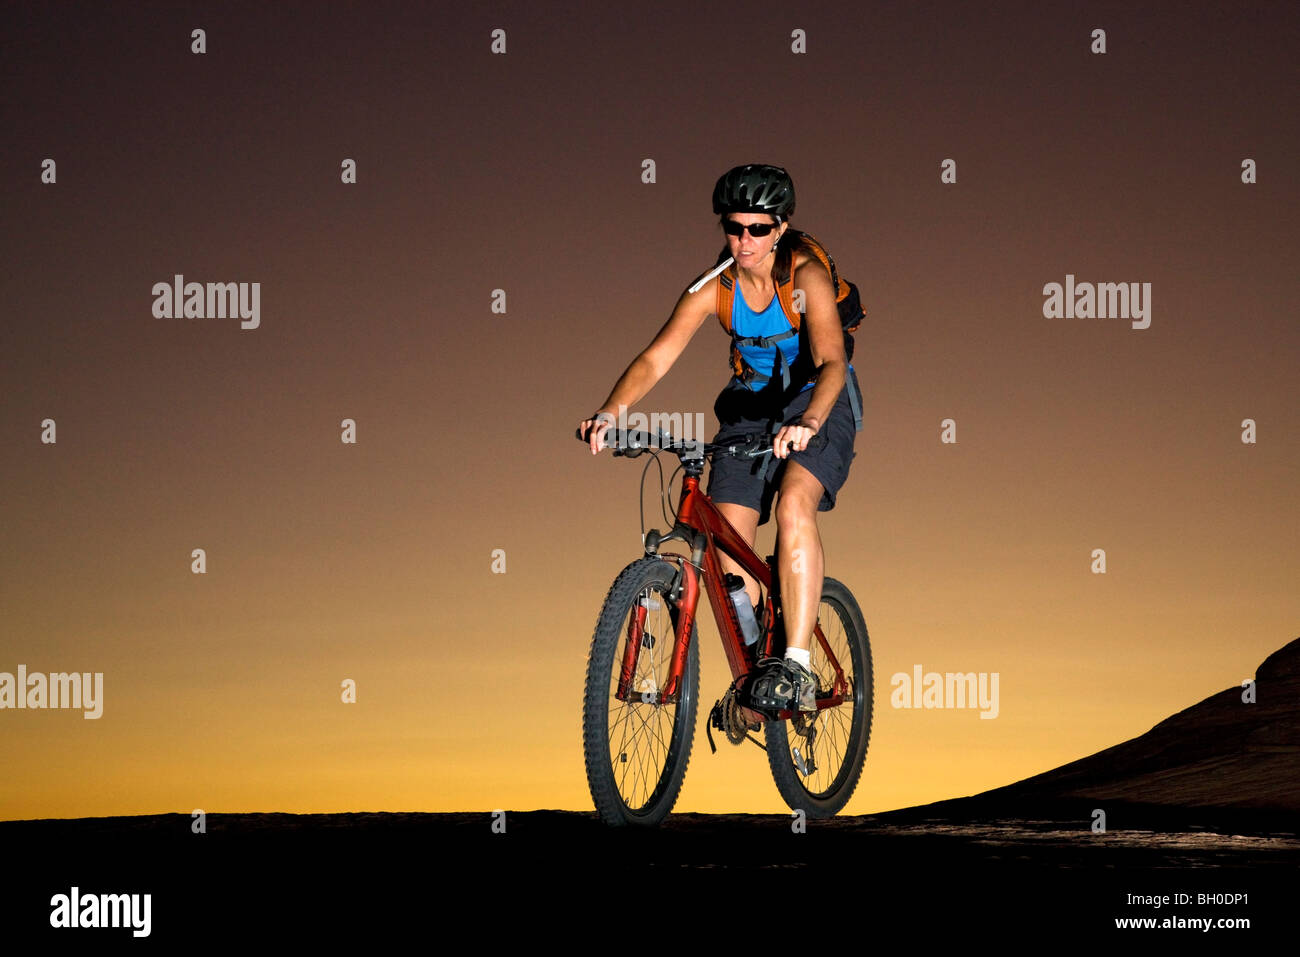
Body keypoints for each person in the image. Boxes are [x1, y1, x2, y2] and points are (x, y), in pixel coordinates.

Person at [578, 163, 860, 714]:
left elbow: (831, 361)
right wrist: (613, 409)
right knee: (729, 546)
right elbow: (657, 356)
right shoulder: (714, 288)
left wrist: (807, 423)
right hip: (751, 410)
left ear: (781, 228)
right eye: (734, 227)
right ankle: (758, 670)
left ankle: (797, 668)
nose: (744, 240)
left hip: (818, 401)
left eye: (758, 228)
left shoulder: (806, 277)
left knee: (794, 507)